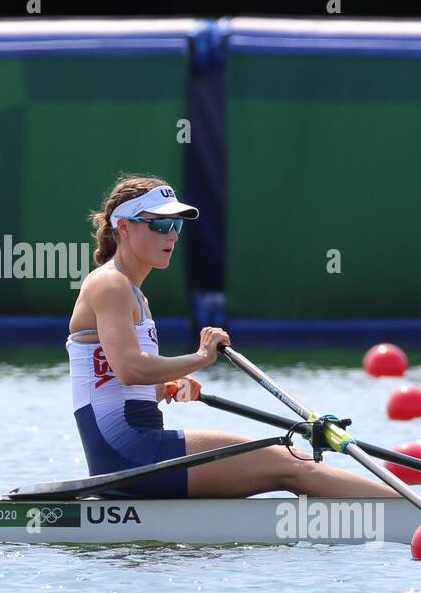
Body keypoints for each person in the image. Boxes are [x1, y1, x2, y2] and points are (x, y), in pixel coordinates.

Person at [67, 174, 399, 499]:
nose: (172, 236)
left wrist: (165, 385)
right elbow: (129, 369)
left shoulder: (134, 294)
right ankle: (410, 513)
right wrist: (201, 358)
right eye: (159, 225)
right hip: (130, 454)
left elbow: (120, 385)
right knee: (292, 463)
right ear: (123, 227)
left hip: (132, 451)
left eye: (177, 226)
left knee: (287, 461)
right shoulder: (110, 285)